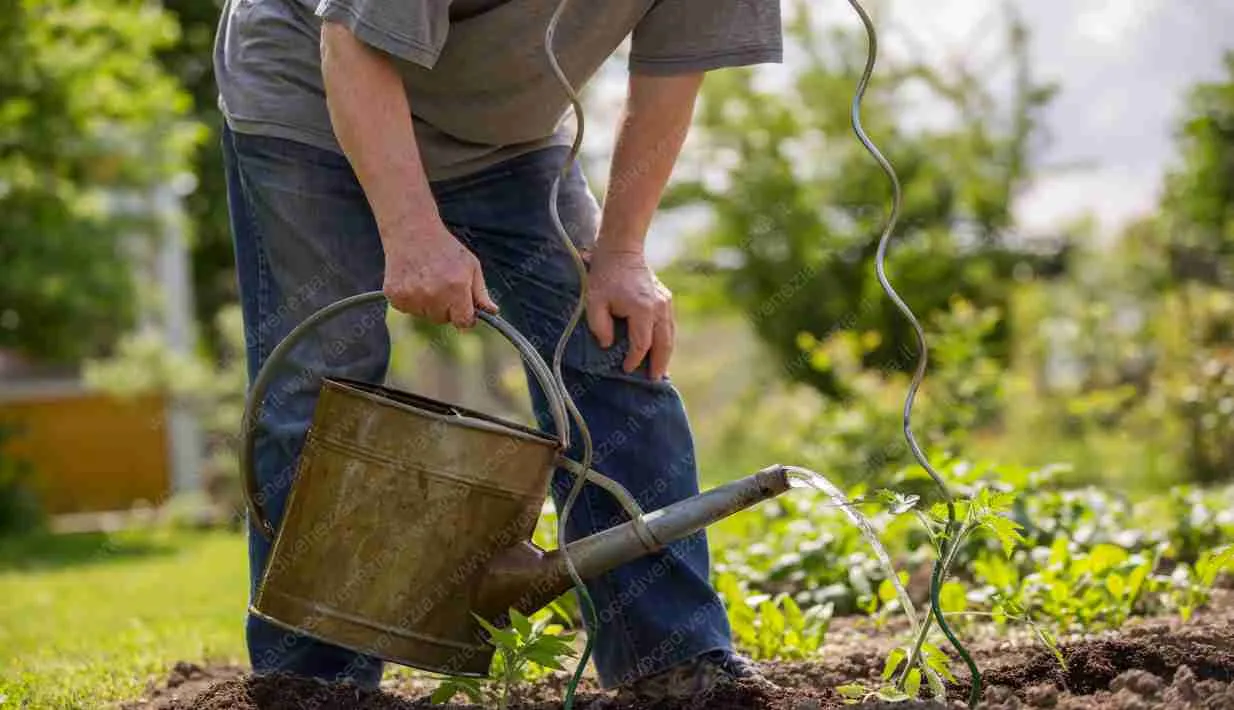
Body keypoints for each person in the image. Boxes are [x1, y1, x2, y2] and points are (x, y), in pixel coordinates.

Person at [212, 0, 783, 701]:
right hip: (312, 91)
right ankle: (312, 685)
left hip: (506, 137)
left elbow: (673, 68)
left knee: (611, 342)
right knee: (324, 373)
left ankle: (673, 664)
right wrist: (412, 230)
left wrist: (622, 253)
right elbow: (351, 45)